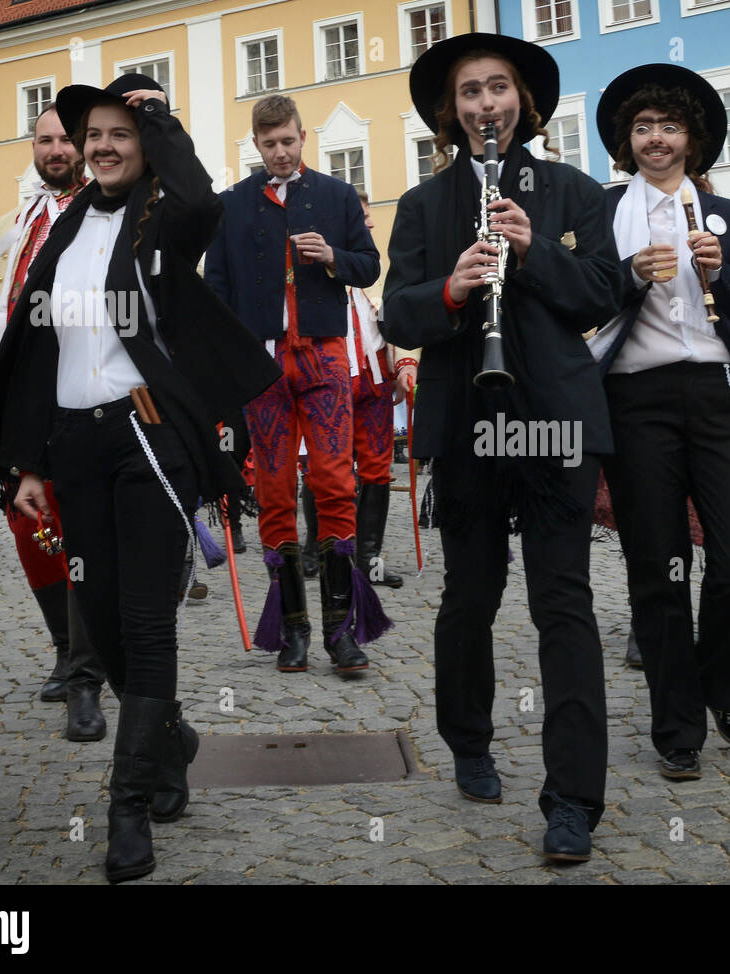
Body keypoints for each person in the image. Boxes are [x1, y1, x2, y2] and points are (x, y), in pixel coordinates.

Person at [0, 74, 279, 883]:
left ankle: (128, 806)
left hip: (147, 441)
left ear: (143, 144)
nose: (104, 145)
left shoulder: (163, 221)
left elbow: (203, 199)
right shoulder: (66, 229)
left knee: (146, 626)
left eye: (121, 132)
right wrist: (29, 460)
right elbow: (38, 351)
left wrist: (156, 117)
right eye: (94, 134)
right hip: (74, 446)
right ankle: (171, 734)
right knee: (98, 625)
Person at [382, 32, 623, 862]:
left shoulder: (573, 192)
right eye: (470, 93)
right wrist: (450, 289)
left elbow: (601, 293)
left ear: (524, 101)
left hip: (556, 418)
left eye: (499, 89)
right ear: (451, 112)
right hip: (467, 422)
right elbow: (397, 315)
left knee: (564, 607)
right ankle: (470, 740)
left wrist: (534, 253)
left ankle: (573, 799)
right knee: (470, 598)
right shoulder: (421, 206)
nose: (486, 104)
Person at [587, 64, 730, 782]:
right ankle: (677, 725)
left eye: (669, 126)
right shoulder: (601, 213)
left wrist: (724, 278)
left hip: (717, 396)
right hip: (635, 399)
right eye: (643, 127)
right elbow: (576, 304)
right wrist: (627, 276)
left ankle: (723, 689)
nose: (656, 138)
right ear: (628, 139)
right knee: (659, 567)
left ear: (692, 139)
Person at [205, 95, 387, 675]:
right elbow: (216, 288)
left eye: (288, 141)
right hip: (262, 363)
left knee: (335, 481)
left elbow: (369, 265)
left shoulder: (335, 195)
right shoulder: (232, 204)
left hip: (326, 354)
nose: (280, 152)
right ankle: (294, 629)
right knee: (276, 490)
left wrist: (334, 256)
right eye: (269, 144)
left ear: (302, 137)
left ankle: (341, 629)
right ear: (255, 146)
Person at [0, 104, 107, 741]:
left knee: (83, 525)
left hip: (86, 389)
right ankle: (64, 644)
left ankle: (87, 675)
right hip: (21, 396)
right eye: (44, 140)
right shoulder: (12, 223)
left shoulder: (104, 211)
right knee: (30, 524)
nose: (55, 149)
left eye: (64, 139)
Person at [304, 191, 418, 590]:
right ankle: (317, 549)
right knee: (324, 468)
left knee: (376, 469)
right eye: (363, 217)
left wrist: (404, 365)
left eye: (368, 216)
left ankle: (369, 557)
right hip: (332, 377)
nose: (369, 224)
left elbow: (394, 320)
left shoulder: (374, 267)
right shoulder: (312, 272)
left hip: (373, 380)